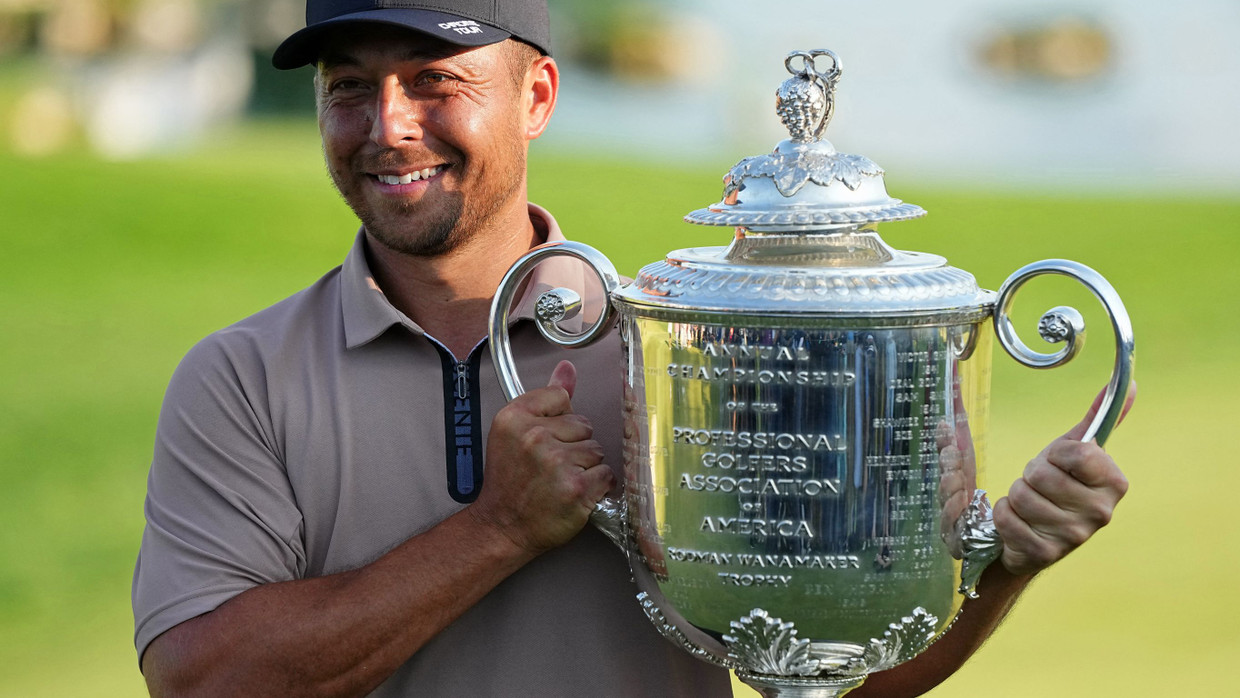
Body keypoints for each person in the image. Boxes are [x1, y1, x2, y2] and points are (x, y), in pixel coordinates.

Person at [132, 1, 1133, 696]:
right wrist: (499, 528)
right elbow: (206, 680)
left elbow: (826, 671)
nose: (387, 126)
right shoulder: (242, 378)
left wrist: (1001, 560)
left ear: (535, 97)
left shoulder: (708, 344)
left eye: (435, 80)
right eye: (350, 86)